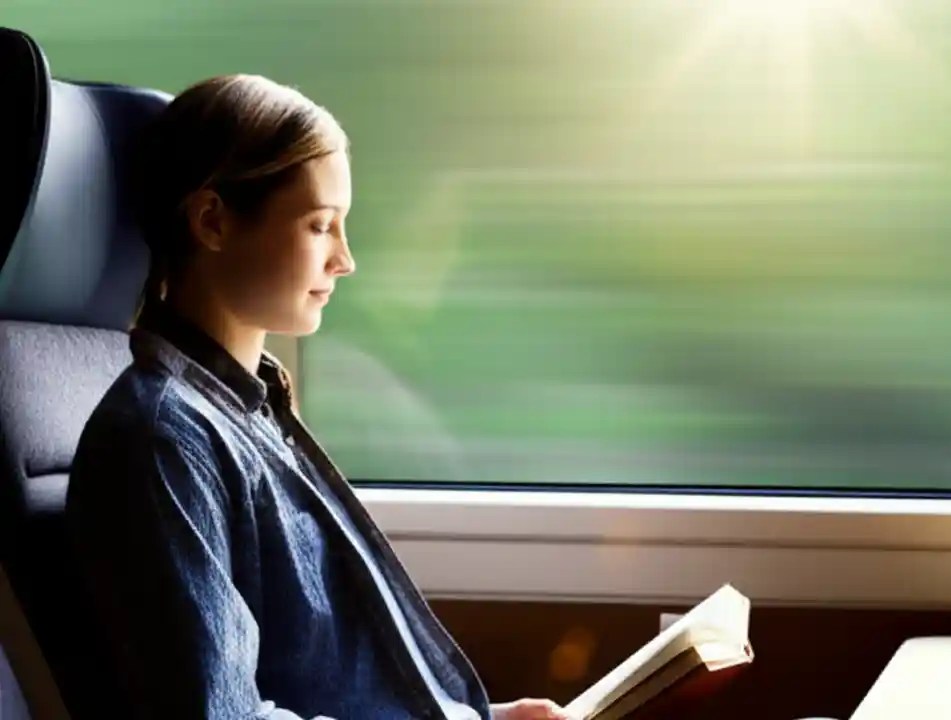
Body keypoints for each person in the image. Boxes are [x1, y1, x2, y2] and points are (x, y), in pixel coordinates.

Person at [65, 74, 575, 720]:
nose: (345, 259)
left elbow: (320, 671)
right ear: (213, 221)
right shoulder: (163, 442)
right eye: (319, 225)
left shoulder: (251, 411)